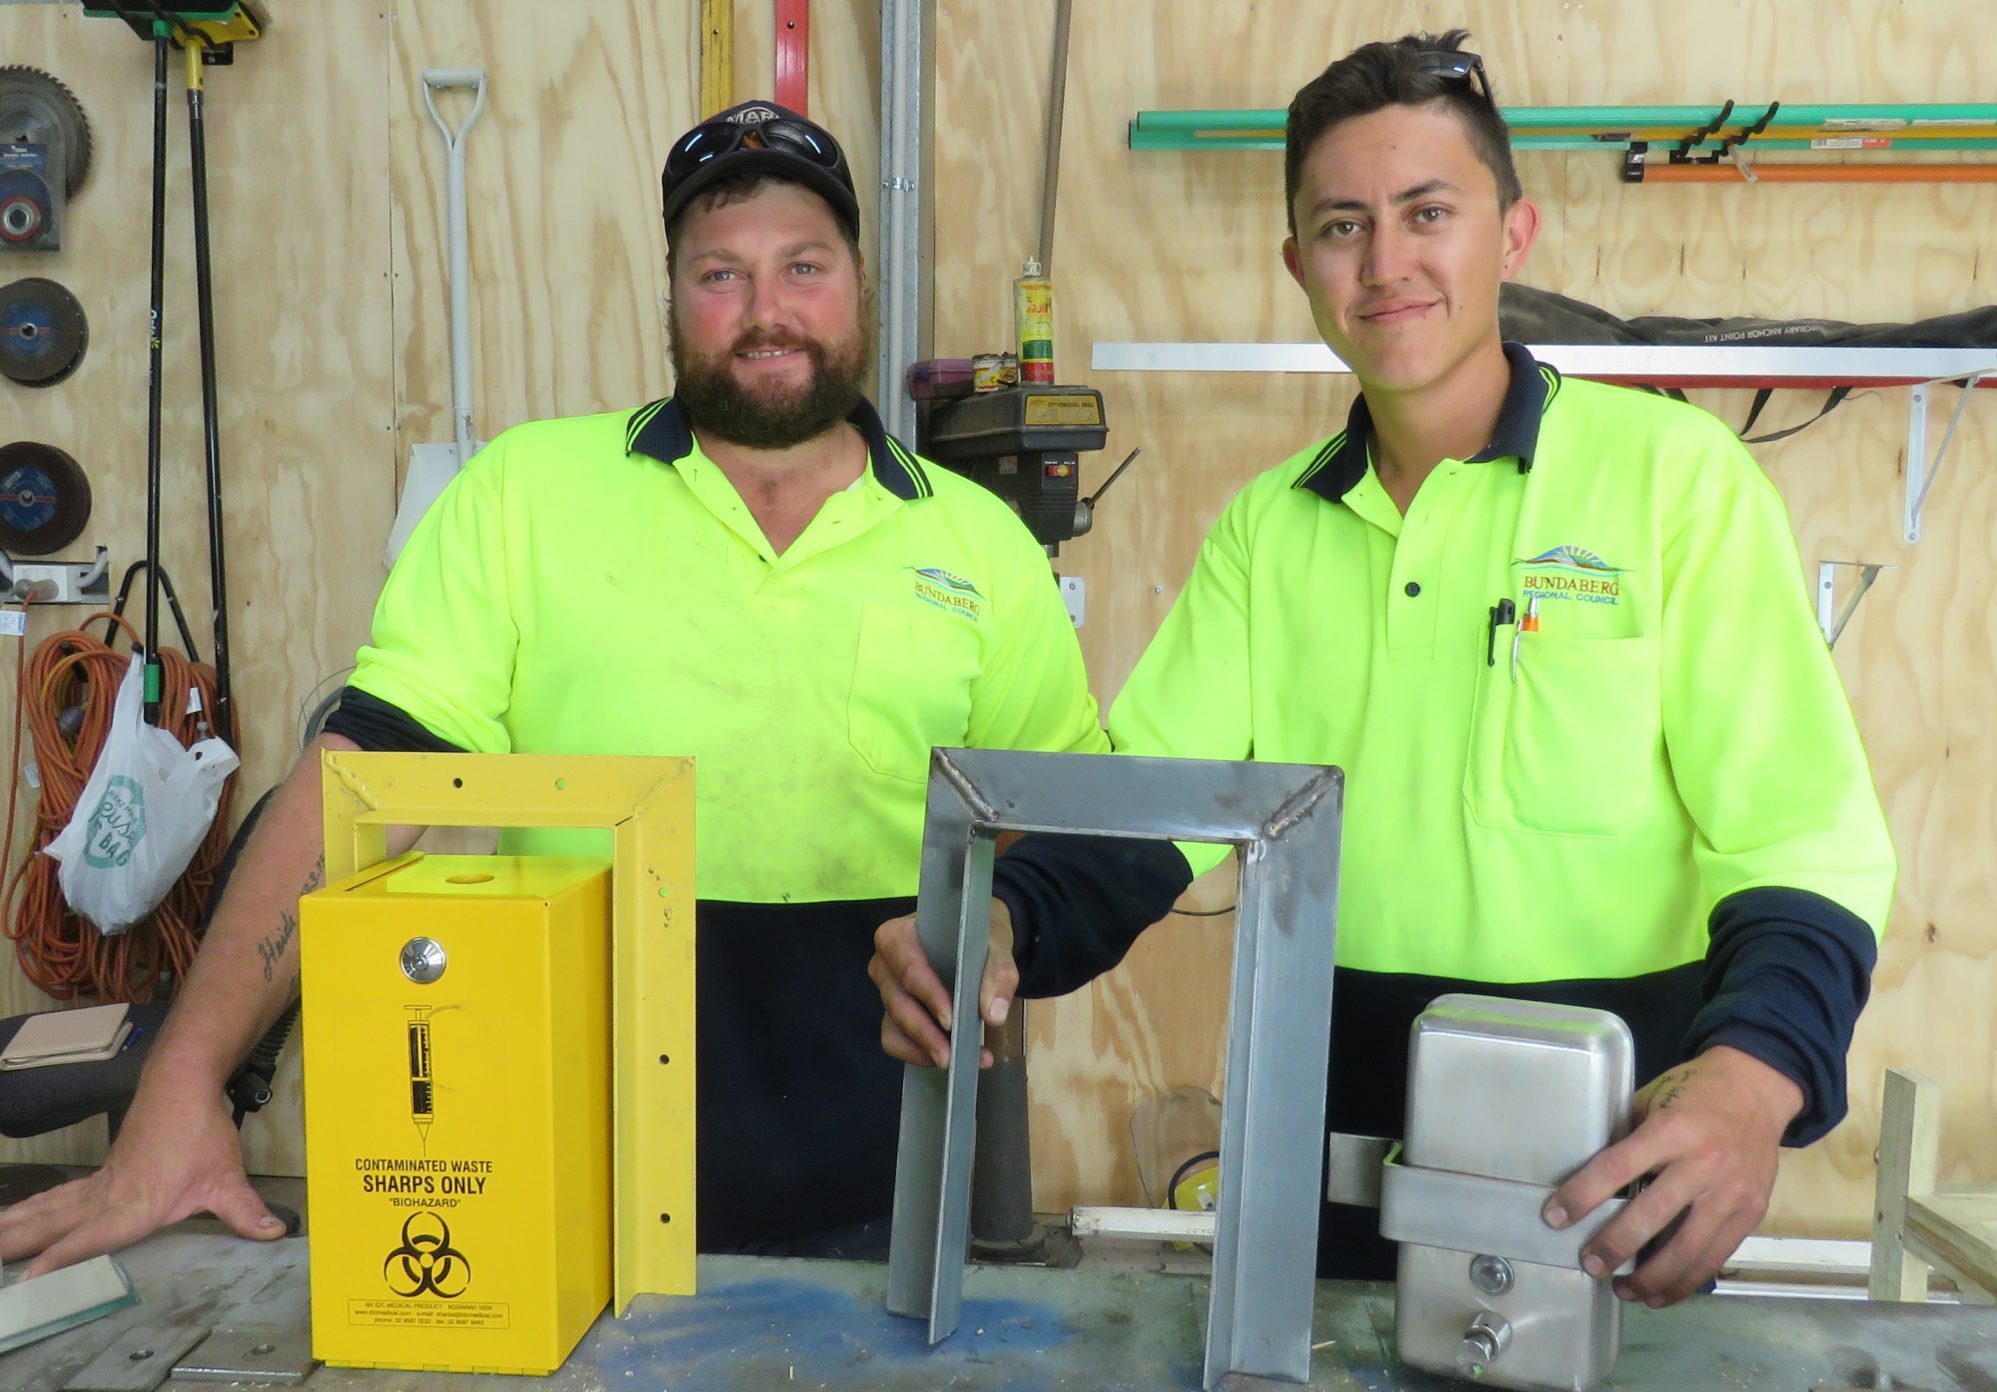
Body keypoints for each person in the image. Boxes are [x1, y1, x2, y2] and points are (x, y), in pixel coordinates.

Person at [870, 33, 1896, 1308]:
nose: (1386, 261)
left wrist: (1751, 1079)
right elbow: (1149, 813)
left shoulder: (1671, 485)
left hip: (1611, 1159)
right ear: (1298, 266)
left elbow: (1800, 840)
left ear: (1510, 235)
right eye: (1342, 225)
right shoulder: (1269, 529)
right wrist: (1002, 923)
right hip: (1327, 1153)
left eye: (1427, 213)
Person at [0, 99, 1108, 1274]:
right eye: (719, 272)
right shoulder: (524, 496)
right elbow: (367, 775)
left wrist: (1000, 924)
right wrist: (185, 1079)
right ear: (672, 293)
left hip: (893, 1189)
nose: (765, 310)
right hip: (572, 1177)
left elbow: (1075, 824)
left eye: (802, 266)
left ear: (857, 280)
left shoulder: (977, 543)